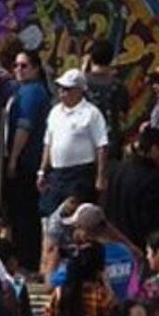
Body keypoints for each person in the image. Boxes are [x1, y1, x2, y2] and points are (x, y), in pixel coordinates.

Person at [42, 79, 110, 221]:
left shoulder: (91, 113)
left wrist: (100, 176)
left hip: (81, 173)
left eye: (67, 89)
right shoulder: (55, 112)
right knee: (51, 213)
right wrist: (42, 171)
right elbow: (48, 143)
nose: (62, 92)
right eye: (60, 88)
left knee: (77, 216)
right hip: (57, 173)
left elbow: (101, 145)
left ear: (79, 90)